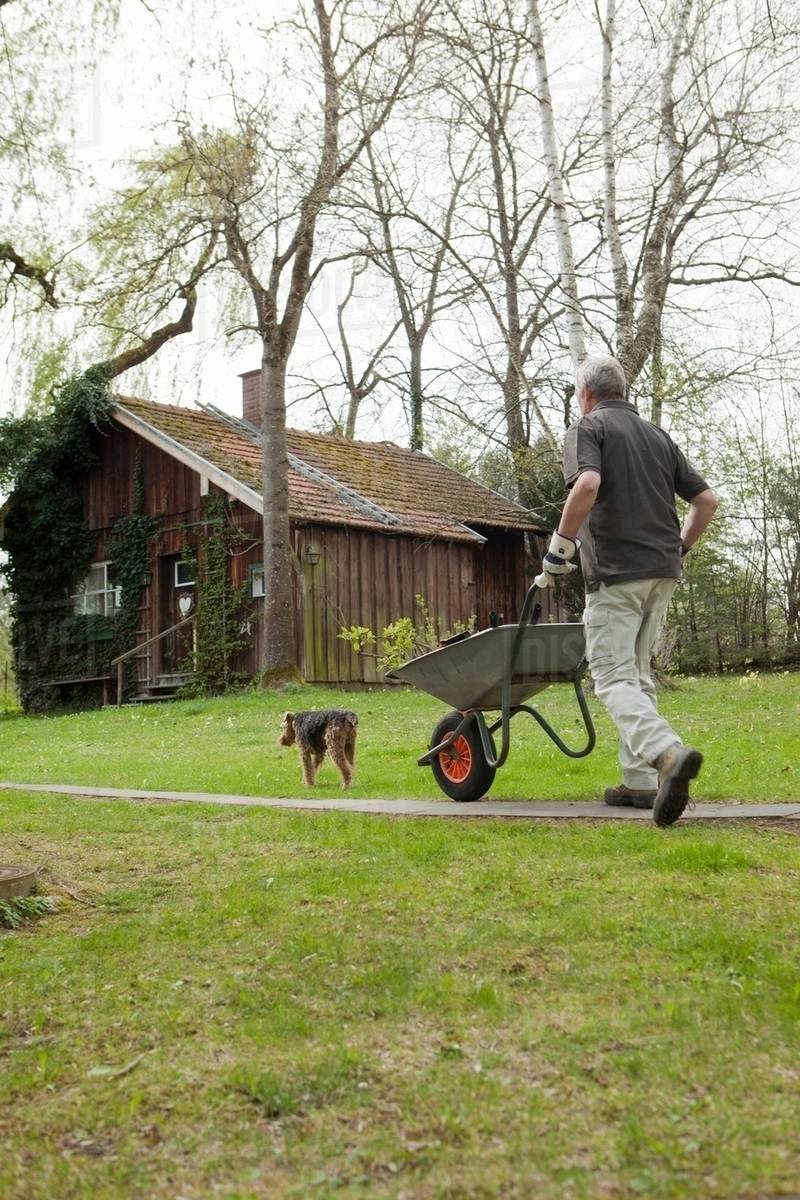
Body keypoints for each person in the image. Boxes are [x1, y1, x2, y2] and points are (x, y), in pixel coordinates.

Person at [537, 354, 718, 826]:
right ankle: (640, 784)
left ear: (586, 393)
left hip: (617, 572)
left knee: (611, 677)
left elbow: (588, 483)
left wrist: (560, 548)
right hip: (662, 570)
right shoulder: (656, 435)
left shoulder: (588, 428)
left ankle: (665, 754)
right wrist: (679, 548)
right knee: (636, 675)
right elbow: (706, 500)